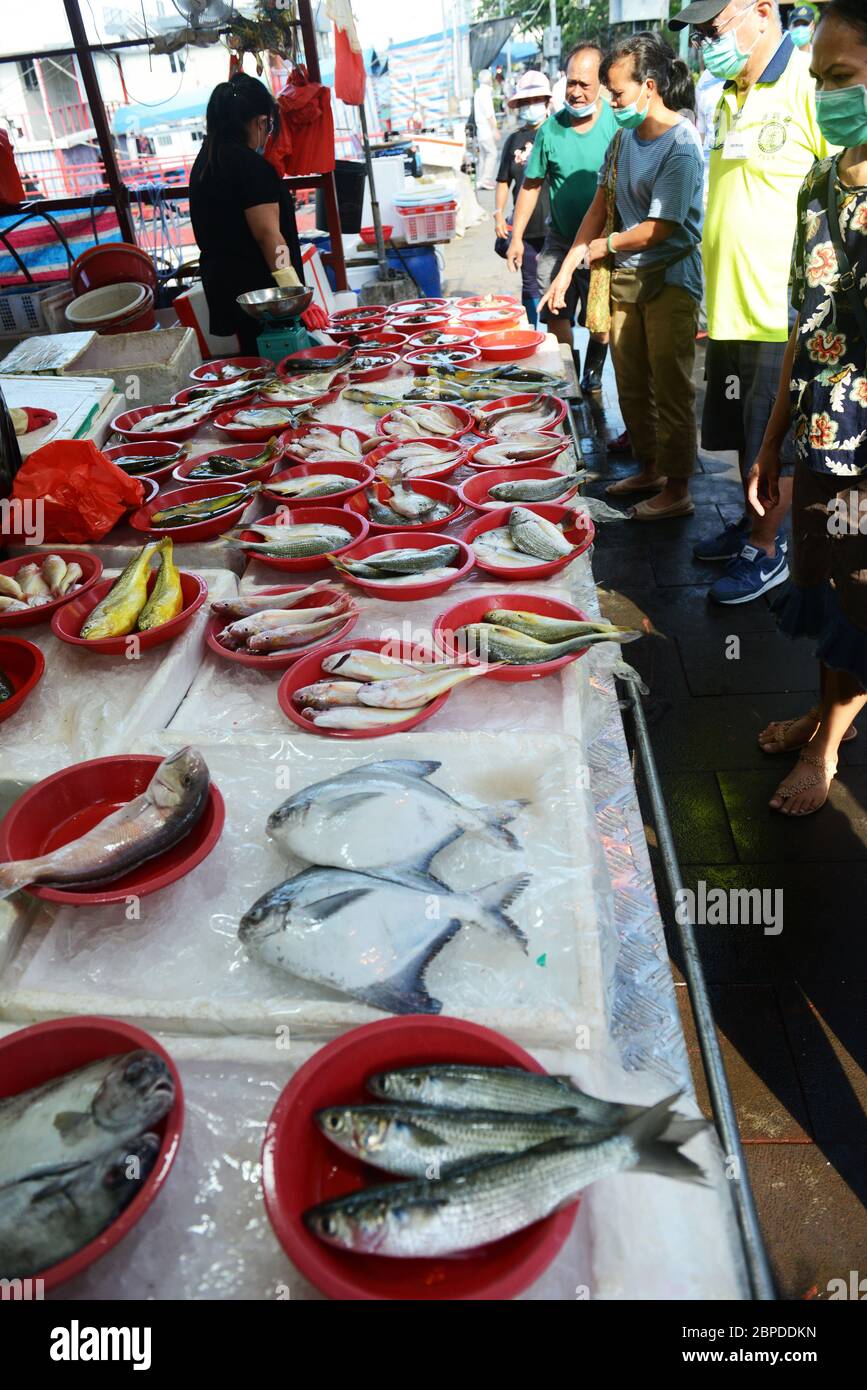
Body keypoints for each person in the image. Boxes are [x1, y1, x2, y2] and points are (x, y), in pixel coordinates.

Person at [670, 0, 831, 604]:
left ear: (762, 12)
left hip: (777, 311)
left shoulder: (807, 83)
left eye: (713, 30)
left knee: (774, 433)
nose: (705, 44)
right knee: (744, 428)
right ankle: (752, 515)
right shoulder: (731, 95)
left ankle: (767, 547)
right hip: (731, 309)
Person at [749, 0, 867, 814]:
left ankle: (827, 744)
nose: (825, 95)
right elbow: (805, 322)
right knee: (824, 593)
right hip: (820, 439)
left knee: (861, 603)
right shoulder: (818, 184)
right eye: (818, 78)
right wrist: (769, 443)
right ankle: (825, 715)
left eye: (841, 77)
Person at [539, 33, 704, 520]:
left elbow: (661, 227)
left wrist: (603, 247)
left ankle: (678, 489)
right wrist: (568, 266)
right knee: (631, 381)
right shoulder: (623, 138)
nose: (611, 102)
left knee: (672, 387)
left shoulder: (681, 143)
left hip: (671, 276)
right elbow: (600, 204)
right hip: (627, 278)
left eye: (617, 92)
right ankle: (650, 468)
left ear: (648, 86)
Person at [507, 44, 618, 391]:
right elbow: (531, 186)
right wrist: (516, 237)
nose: (576, 91)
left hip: (603, 244)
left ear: (601, 83)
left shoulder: (617, 122)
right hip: (560, 241)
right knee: (555, 313)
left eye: (585, 84)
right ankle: (570, 376)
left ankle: (594, 373)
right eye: (571, 82)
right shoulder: (550, 131)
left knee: (601, 322)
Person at [189, 72, 303, 355]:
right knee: (279, 364)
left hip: (226, 287)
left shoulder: (206, 161)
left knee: (254, 359)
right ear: (261, 122)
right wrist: (291, 287)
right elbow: (269, 236)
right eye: (269, 126)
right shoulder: (250, 166)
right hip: (259, 294)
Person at [494, 70, 553, 326]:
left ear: (547, 101)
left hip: (555, 227)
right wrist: (498, 213)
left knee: (554, 281)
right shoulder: (514, 140)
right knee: (529, 283)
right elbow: (503, 181)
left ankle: (557, 334)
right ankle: (532, 331)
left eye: (535, 100)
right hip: (525, 228)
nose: (531, 106)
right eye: (525, 102)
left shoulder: (557, 133)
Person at [473, 71, 499, 190]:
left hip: (480, 129)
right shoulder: (485, 93)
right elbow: (489, 114)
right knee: (492, 154)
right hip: (486, 129)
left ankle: (481, 180)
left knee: (483, 155)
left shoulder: (478, 92)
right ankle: (486, 179)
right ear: (489, 80)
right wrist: (495, 129)